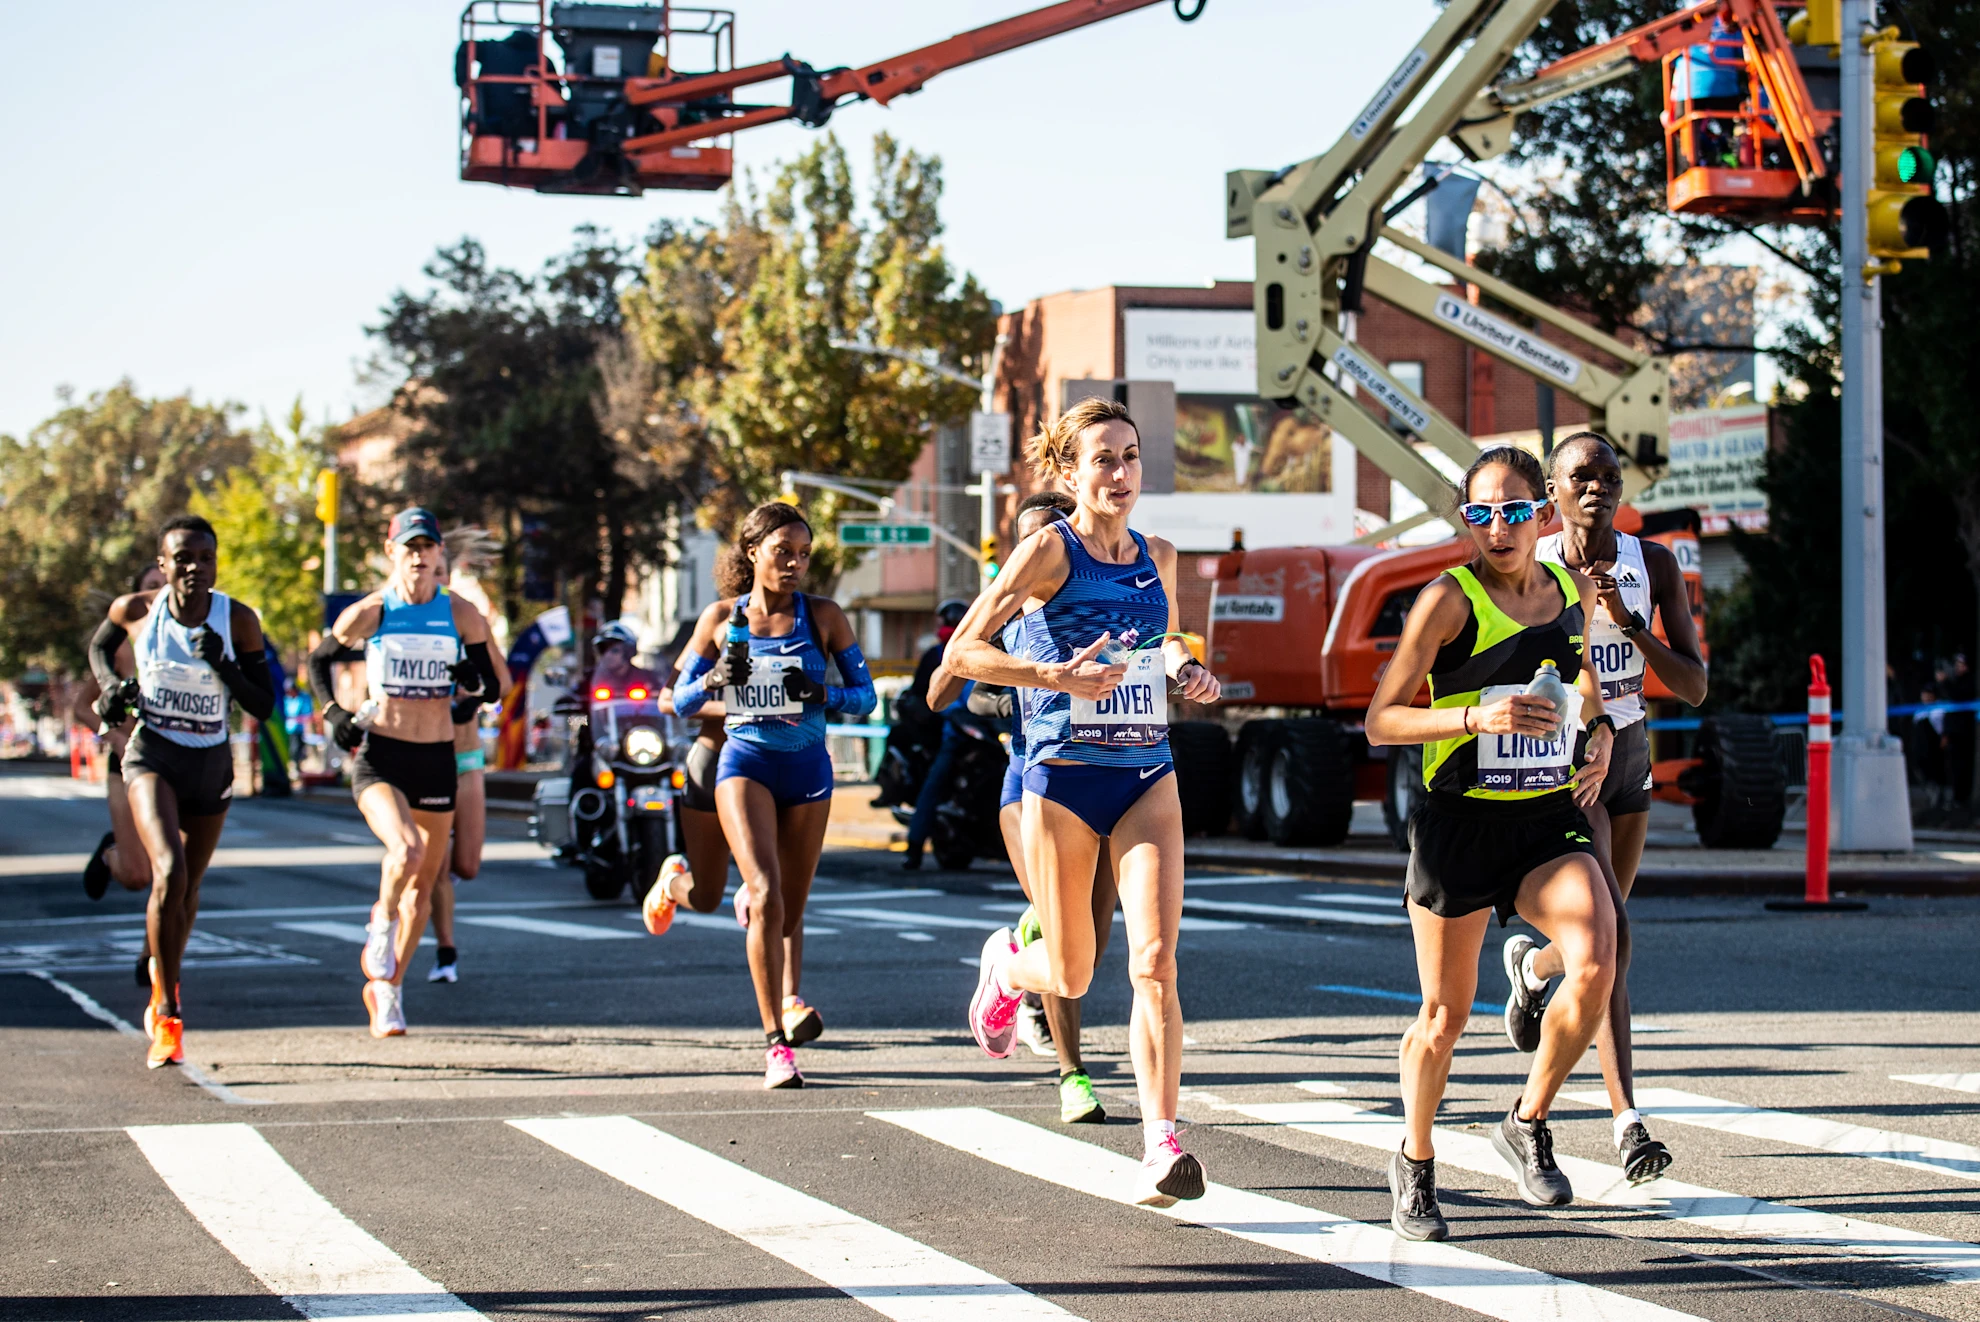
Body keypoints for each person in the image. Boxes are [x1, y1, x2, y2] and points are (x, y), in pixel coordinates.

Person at [946, 397, 1221, 1207]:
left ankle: (1161, 1143)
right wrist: (1054, 676)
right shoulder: (1047, 551)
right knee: (1068, 974)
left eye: (1131, 457)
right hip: (1063, 778)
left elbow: (1163, 639)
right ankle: (1004, 968)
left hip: (1146, 771)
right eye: (1102, 459)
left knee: (1156, 963)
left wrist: (1182, 670)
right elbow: (966, 649)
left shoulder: (1160, 555)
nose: (1120, 473)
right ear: (1069, 473)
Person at [1365, 445, 1618, 1241]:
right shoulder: (1448, 600)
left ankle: (1525, 1120)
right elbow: (1381, 720)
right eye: (1481, 514)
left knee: (1598, 955)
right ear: (1465, 521)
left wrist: (1601, 730)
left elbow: (1583, 682)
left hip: (1544, 817)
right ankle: (1415, 1162)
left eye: (1514, 511)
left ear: (1543, 514)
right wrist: (1476, 716)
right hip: (1460, 823)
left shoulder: (1573, 590)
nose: (1499, 527)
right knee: (1443, 1015)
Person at [1516, 434, 1707, 1185]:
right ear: (1553, 494)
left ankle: (1534, 970)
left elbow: (1692, 685)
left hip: (1631, 751)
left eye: (1608, 477)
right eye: (1580, 477)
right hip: (1570, 759)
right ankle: (1628, 1121)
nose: (1596, 488)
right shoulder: (1533, 566)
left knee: (1602, 934)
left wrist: (1631, 622)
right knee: (1616, 934)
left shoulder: (1652, 563)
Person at [669, 502, 877, 1089]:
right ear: (752, 551)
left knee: (789, 906)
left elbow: (865, 698)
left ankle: (773, 949)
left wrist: (818, 690)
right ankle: (776, 1046)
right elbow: (677, 699)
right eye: (783, 551)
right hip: (745, 762)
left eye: (804, 554)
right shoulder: (720, 618)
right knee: (763, 894)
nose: (794, 564)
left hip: (808, 769)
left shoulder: (825, 616)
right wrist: (715, 679)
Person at [931, 490, 1117, 1125]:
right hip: (1030, 781)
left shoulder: (1103, 600)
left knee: (1089, 953)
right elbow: (940, 691)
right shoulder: (1008, 614)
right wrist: (1011, 682)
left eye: (1061, 535)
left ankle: (1016, 955)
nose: (1048, 549)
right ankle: (1074, 1075)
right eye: (1034, 539)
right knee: (1062, 922)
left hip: (1107, 776)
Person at [87, 515, 274, 1068]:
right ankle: (166, 1011)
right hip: (153, 755)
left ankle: (163, 971)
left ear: (217, 564)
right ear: (163, 565)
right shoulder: (137, 610)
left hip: (211, 763)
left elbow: (263, 703)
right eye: (183, 558)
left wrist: (224, 663)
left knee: (187, 889)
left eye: (206, 558)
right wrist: (112, 691)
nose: (195, 568)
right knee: (167, 870)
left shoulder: (237, 619)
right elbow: (101, 649)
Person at [308, 507, 501, 1037]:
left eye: (427, 547)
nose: (419, 556)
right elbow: (319, 663)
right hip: (383, 757)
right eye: (408, 547)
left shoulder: (461, 615)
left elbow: (492, 686)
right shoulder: (371, 612)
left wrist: (470, 683)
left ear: (440, 555)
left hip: (437, 760)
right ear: (392, 552)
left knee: (424, 886)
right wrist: (335, 716)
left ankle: (390, 988)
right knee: (406, 852)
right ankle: (379, 920)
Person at [75, 565, 169, 927]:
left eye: (164, 586)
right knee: (136, 876)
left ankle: (157, 957)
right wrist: (114, 736)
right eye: (151, 586)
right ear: (137, 597)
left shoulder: (187, 642)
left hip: (175, 758)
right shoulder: (120, 649)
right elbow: (81, 708)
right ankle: (112, 851)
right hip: (127, 761)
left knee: (172, 873)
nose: (159, 591)